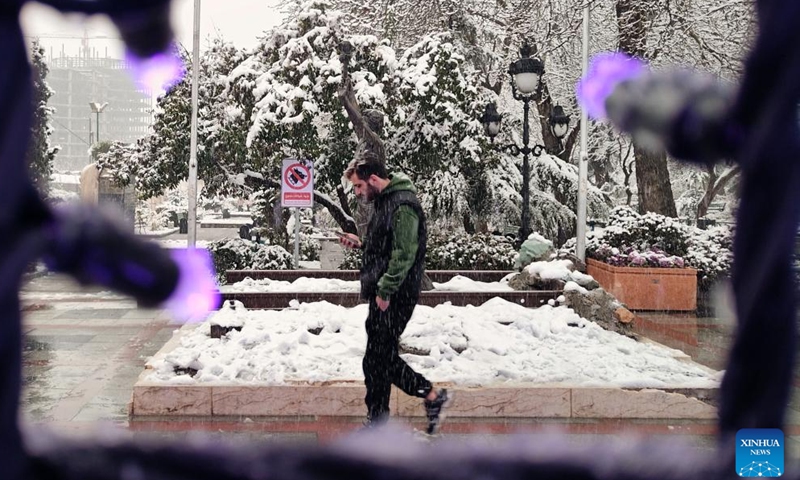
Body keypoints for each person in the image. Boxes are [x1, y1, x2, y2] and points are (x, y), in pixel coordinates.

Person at [339, 155, 450, 434]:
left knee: (381, 358)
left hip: (396, 293)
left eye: (359, 186)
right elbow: (387, 247)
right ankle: (379, 420)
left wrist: (386, 289)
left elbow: (404, 254)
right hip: (385, 290)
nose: (358, 192)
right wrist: (361, 244)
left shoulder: (403, 206)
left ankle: (430, 397)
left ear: (374, 180)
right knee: (375, 358)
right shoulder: (387, 201)